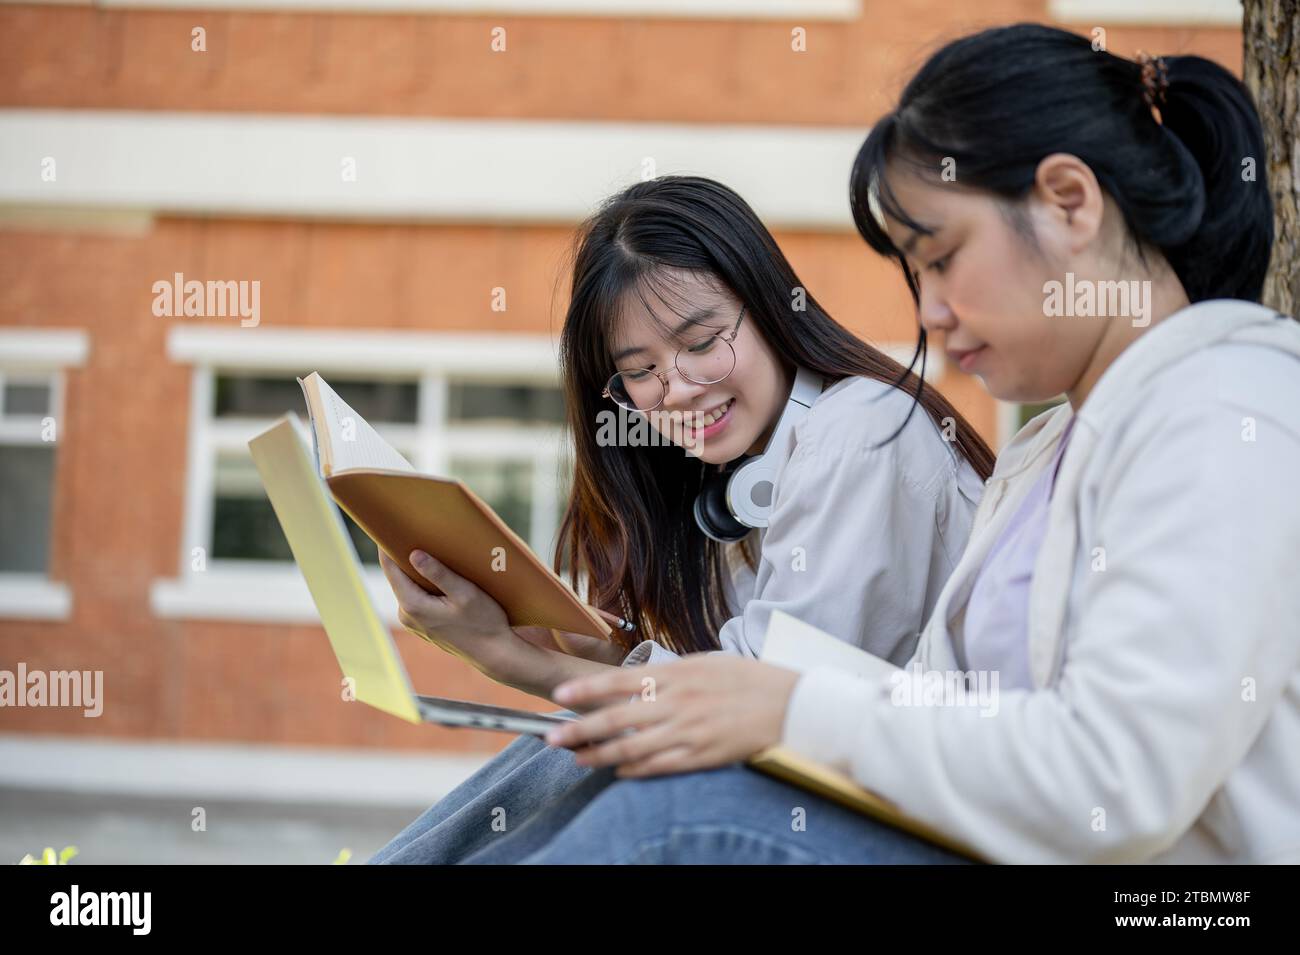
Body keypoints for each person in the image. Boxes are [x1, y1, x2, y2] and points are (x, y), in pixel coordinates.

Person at [473, 23, 1300, 865]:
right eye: (916, 275)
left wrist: (787, 708)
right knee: (597, 767)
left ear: (1071, 203)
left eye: (941, 258)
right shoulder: (1047, 451)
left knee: (682, 809)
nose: (930, 312)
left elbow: (1118, 780)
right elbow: (926, 708)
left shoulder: (1224, 407)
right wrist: (610, 666)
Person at [369, 175, 994, 864]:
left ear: (767, 304)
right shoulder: (740, 477)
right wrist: (591, 649)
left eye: (701, 342)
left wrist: (513, 659)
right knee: (571, 738)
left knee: (609, 754)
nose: (678, 391)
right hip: (845, 805)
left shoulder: (861, 431)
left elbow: (754, 715)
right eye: (640, 371)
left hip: (931, 831)